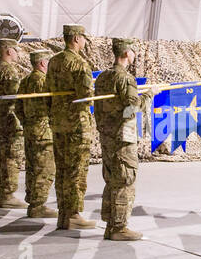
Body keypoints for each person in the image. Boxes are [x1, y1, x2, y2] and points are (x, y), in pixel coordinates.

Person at [47, 24, 97, 231]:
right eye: (83, 38)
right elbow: (86, 96)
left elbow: (48, 91)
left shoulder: (54, 61)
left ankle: (63, 214)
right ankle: (74, 214)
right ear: (76, 38)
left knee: (62, 170)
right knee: (77, 170)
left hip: (58, 123)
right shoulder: (80, 64)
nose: (85, 42)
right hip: (77, 124)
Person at [93, 38, 143, 240]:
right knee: (125, 180)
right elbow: (131, 109)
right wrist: (147, 98)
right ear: (125, 53)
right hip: (122, 137)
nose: (134, 55)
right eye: (132, 51)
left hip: (107, 135)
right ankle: (119, 227)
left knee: (112, 179)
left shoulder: (103, 77)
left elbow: (97, 109)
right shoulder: (125, 78)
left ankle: (110, 224)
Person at [15, 47, 56, 217]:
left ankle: (33, 201)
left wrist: (26, 122)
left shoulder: (25, 81)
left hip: (31, 129)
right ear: (42, 63)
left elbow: (17, 107)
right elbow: (52, 105)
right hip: (43, 130)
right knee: (44, 168)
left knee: (32, 166)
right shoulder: (44, 82)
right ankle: (38, 205)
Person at [0, 38, 26, 208]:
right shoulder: (9, 71)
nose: (18, 54)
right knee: (11, 158)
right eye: (16, 50)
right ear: (9, 51)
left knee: (2, 157)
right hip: (9, 121)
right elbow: (15, 98)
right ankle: (8, 195)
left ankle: (4, 193)